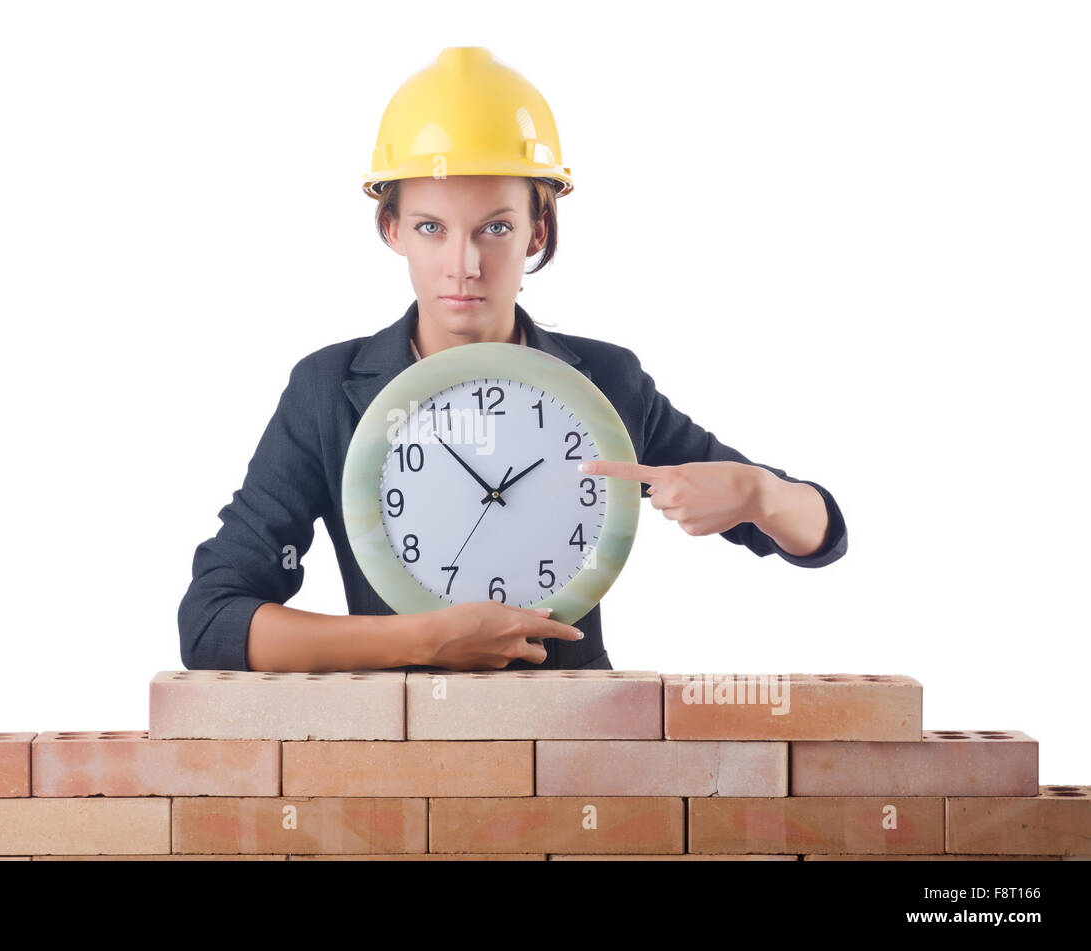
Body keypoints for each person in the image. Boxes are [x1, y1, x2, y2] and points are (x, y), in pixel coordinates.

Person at [177, 47, 847, 673]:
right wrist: (427, 637)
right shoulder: (330, 392)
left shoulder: (605, 383)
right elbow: (210, 624)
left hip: (584, 765)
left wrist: (761, 495)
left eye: (495, 227)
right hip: (399, 769)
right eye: (431, 227)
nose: (463, 265)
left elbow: (817, 534)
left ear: (539, 230)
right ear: (392, 229)